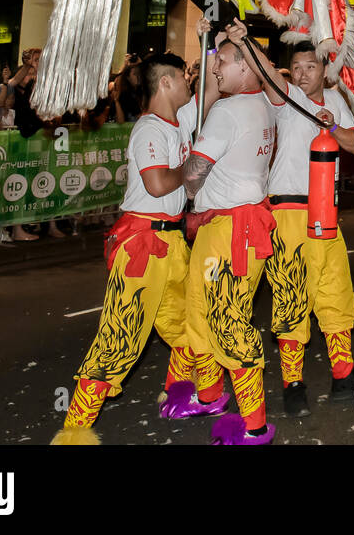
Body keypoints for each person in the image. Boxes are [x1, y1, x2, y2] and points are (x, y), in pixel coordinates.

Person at [52, 53, 227, 445]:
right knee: (119, 339)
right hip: (143, 246)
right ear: (164, 83)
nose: (189, 82)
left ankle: (179, 398)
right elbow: (158, 185)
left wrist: (218, 42)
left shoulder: (178, 120)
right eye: (183, 77)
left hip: (172, 241)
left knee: (187, 328)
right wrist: (199, 164)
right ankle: (74, 431)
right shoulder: (149, 130)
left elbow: (212, 89)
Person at [228, 23, 354, 415]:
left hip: (326, 215)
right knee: (291, 297)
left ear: (324, 68)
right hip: (287, 212)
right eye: (296, 67)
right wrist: (241, 39)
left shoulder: (336, 99)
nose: (301, 74)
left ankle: (343, 375)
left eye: (309, 67)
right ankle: (292, 383)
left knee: (335, 293)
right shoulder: (287, 97)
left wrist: (330, 124)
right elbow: (265, 70)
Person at [179, 32, 279, 444]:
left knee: (228, 321)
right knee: (202, 312)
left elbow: (191, 178)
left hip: (229, 232)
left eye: (222, 60)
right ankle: (209, 395)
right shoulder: (263, 108)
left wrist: (184, 168)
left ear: (246, 68)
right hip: (232, 225)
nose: (214, 67)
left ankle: (254, 425)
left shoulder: (228, 111)